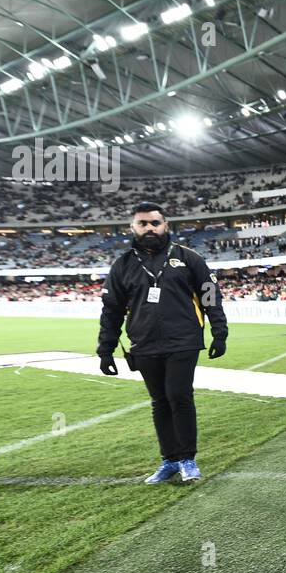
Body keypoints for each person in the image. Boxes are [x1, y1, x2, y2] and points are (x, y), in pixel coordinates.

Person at [96, 202, 228, 485]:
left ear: (165, 226)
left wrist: (220, 332)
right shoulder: (122, 265)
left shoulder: (189, 258)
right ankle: (169, 460)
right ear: (133, 228)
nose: (149, 228)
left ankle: (188, 459)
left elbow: (209, 296)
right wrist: (105, 350)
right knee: (160, 402)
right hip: (143, 344)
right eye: (142, 223)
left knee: (179, 397)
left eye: (155, 223)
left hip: (184, 340)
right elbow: (111, 310)